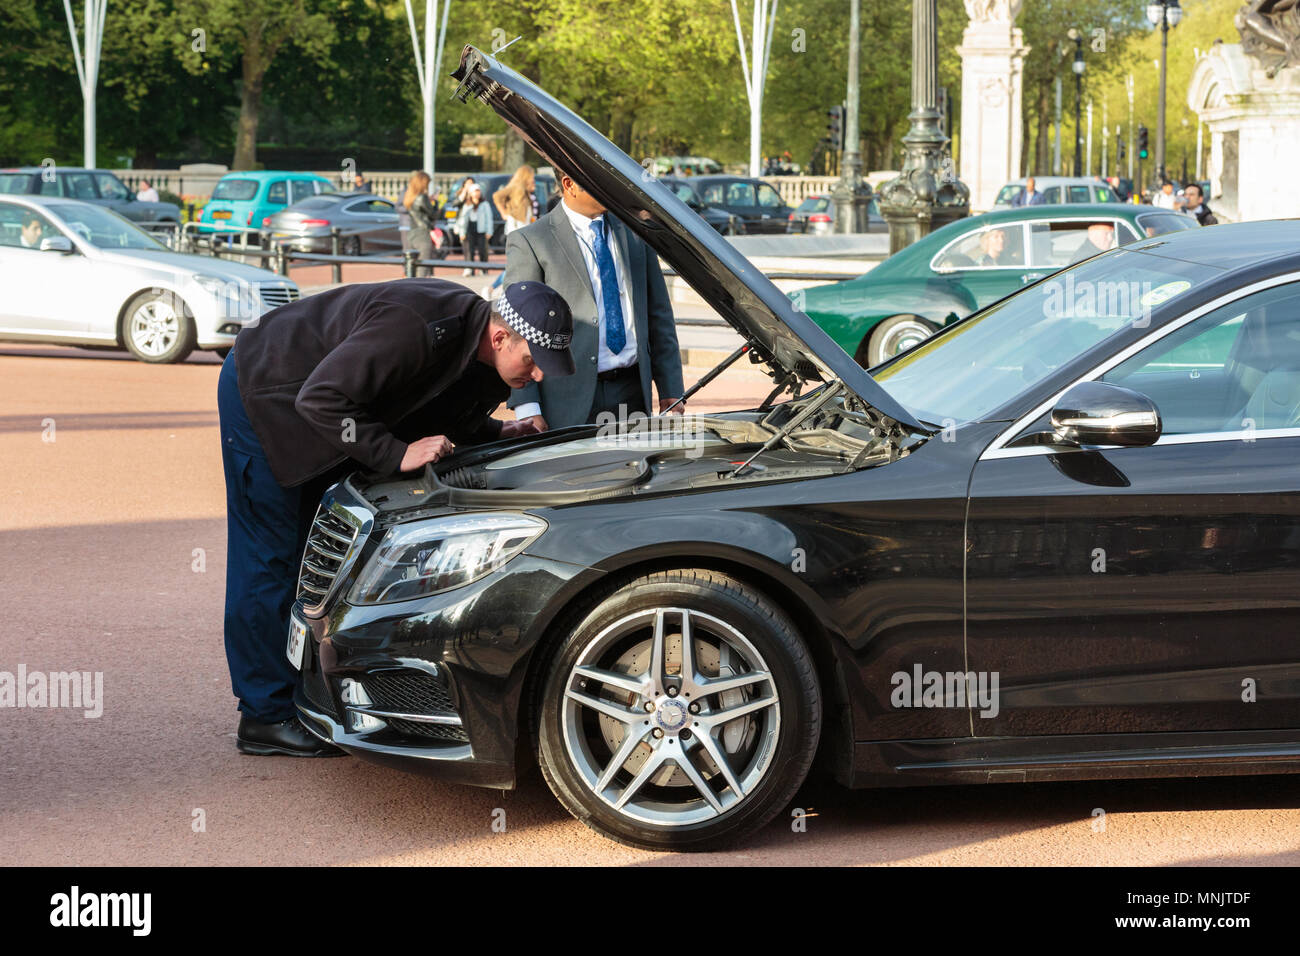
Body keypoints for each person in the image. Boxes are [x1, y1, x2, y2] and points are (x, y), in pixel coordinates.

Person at [218, 278, 572, 756]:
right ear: (499, 338)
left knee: (311, 555)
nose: (539, 375)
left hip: (320, 404)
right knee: (268, 559)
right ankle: (264, 717)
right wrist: (395, 453)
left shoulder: (480, 349)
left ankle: (301, 692)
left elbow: (436, 406)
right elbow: (320, 398)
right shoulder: (416, 326)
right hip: (266, 390)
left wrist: (501, 430)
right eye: (533, 360)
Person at [505, 169, 684, 431]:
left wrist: (670, 387)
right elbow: (519, 329)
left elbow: (659, 313)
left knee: (634, 470)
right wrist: (527, 406)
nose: (609, 188)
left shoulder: (636, 234)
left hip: (631, 391)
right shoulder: (532, 241)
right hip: (565, 400)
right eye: (598, 181)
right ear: (569, 185)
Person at [489, 165, 538, 295]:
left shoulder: (525, 190)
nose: (533, 179)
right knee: (516, 264)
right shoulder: (516, 187)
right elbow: (497, 196)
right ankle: (493, 288)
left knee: (519, 264)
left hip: (524, 230)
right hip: (516, 230)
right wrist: (504, 213)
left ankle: (496, 289)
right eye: (531, 176)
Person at [404, 170, 440, 277]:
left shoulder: (410, 196)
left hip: (411, 234)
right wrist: (436, 202)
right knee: (423, 268)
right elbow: (433, 215)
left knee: (412, 269)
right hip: (423, 234)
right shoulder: (422, 197)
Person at [456, 184, 492, 276]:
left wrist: (489, 231)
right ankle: (469, 269)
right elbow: (463, 219)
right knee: (469, 250)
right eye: (474, 191)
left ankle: (483, 269)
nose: (476, 193)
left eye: (478, 191)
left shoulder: (485, 204)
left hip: (481, 229)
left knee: (482, 250)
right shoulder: (467, 204)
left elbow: (489, 218)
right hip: (469, 229)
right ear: (471, 193)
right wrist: (462, 232)